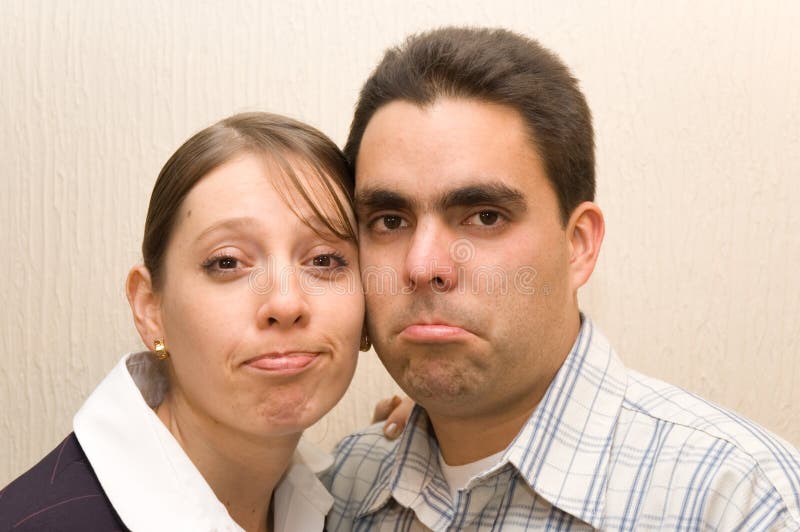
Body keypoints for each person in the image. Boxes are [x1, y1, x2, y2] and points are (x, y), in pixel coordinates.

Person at [323, 27, 800, 531]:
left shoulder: (739, 502)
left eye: (485, 216)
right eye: (390, 221)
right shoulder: (344, 485)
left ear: (578, 245)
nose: (423, 266)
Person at [0, 112, 388, 531]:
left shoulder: (338, 501)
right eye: (227, 262)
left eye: (324, 261)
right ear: (150, 308)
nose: (286, 302)